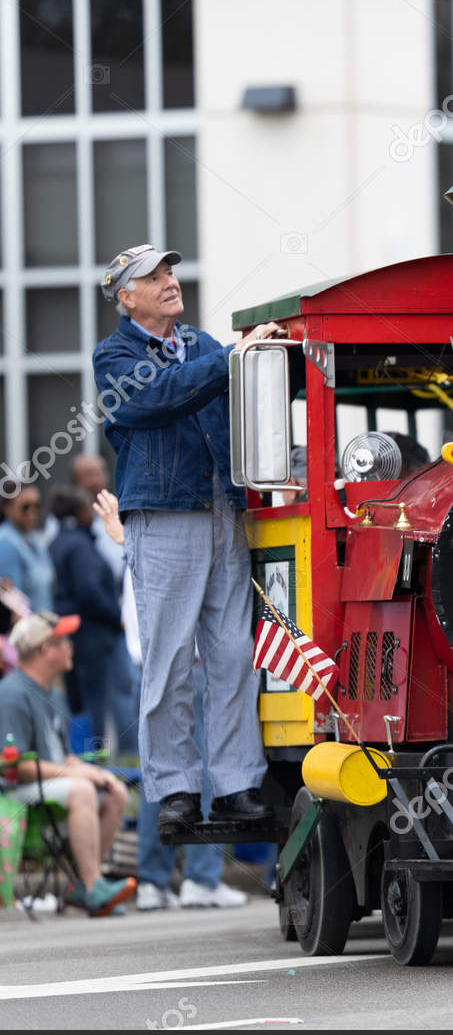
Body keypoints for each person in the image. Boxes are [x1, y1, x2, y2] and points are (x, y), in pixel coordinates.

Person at [91, 243, 282, 833]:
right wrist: (236, 358)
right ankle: (176, 789)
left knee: (232, 657)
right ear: (127, 298)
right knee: (170, 659)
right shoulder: (115, 354)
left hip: (223, 510)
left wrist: (274, 353)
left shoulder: (201, 346)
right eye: (154, 276)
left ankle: (234, 785)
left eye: (169, 271)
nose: (170, 280)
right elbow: (156, 397)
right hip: (166, 515)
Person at [88, 490, 243, 909]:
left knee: (160, 770)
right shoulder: (168, 543)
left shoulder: (141, 548)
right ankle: (201, 877)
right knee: (202, 768)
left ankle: (155, 881)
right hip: (187, 664)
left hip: (150, 667)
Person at [0, 613, 135, 915]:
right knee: (82, 790)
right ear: (45, 649)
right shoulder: (11, 694)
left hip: (47, 783)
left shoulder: (55, 693)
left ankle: (88, 887)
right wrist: (74, 773)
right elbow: (14, 768)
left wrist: (90, 771)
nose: (71, 647)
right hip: (14, 796)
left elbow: (61, 755)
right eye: (63, 642)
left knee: (115, 791)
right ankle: (93, 885)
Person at [47, 487, 138, 758]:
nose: (93, 514)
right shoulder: (80, 546)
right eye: (88, 508)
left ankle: (80, 755)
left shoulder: (58, 542)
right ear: (78, 512)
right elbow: (89, 591)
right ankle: (94, 757)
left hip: (74, 633)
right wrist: (116, 617)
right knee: (96, 698)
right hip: (93, 634)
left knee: (78, 699)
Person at [0, 485, 54, 614]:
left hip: (43, 628)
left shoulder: (33, 538)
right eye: (25, 507)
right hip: (26, 631)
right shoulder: (5, 543)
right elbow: (13, 605)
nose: (32, 512)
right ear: (7, 508)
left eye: (37, 506)